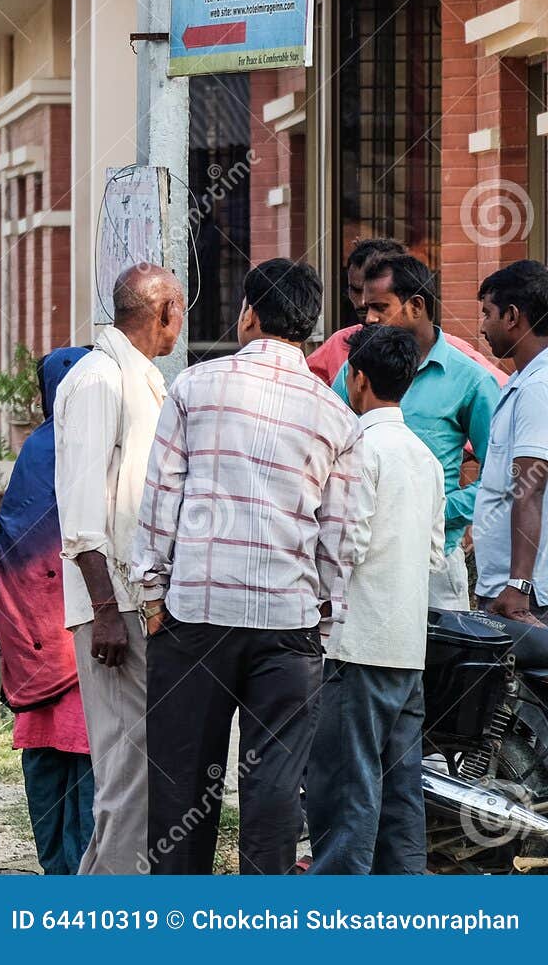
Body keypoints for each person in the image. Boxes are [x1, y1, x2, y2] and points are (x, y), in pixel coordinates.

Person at [132, 259, 369, 875]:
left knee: (183, 781)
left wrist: (152, 594)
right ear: (311, 329)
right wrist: (324, 617)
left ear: (250, 314)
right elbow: (338, 537)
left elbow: (162, 501)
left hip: (196, 617)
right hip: (288, 627)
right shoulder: (337, 416)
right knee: (272, 790)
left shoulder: (194, 386)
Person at [53, 264, 185, 875]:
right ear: (163, 312)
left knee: (140, 772)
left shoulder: (140, 378)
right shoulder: (99, 379)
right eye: (178, 311)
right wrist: (106, 611)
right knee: (129, 777)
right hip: (114, 608)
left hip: (138, 603)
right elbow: (80, 514)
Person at [308, 324, 445, 875]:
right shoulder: (426, 459)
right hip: (407, 644)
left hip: (354, 642)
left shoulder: (359, 449)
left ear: (358, 378)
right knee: (401, 789)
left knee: (348, 786)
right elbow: (434, 552)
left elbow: (345, 544)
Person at [329, 254, 500, 609]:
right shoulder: (355, 369)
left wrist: (436, 509)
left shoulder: (470, 380)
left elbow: (500, 476)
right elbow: (326, 443)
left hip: (433, 562)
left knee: (434, 663)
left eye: (380, 307)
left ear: (416, 306)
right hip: (360, 560)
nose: (369, 319)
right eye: (365, 308)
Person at [0, 346, 94, 875]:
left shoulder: (34, 450)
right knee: (89, 772)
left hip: (34, 650)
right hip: (85, 647)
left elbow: (10, 555)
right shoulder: (94, 448)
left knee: (47, 772)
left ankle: (59, 876)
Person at [308, 238, 504, 388]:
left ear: (415, 304)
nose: (362, 304)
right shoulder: (339, 346)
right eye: (356, 290)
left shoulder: (461, 361)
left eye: (380, 304)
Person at [474, 260, 548, 625]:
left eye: (487, 313)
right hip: (510, 589)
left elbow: (530, 488)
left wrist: (518, 585)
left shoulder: (537, 387)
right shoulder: (524, 381)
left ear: (513, 316)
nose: (482, 326)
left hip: (525, 597)